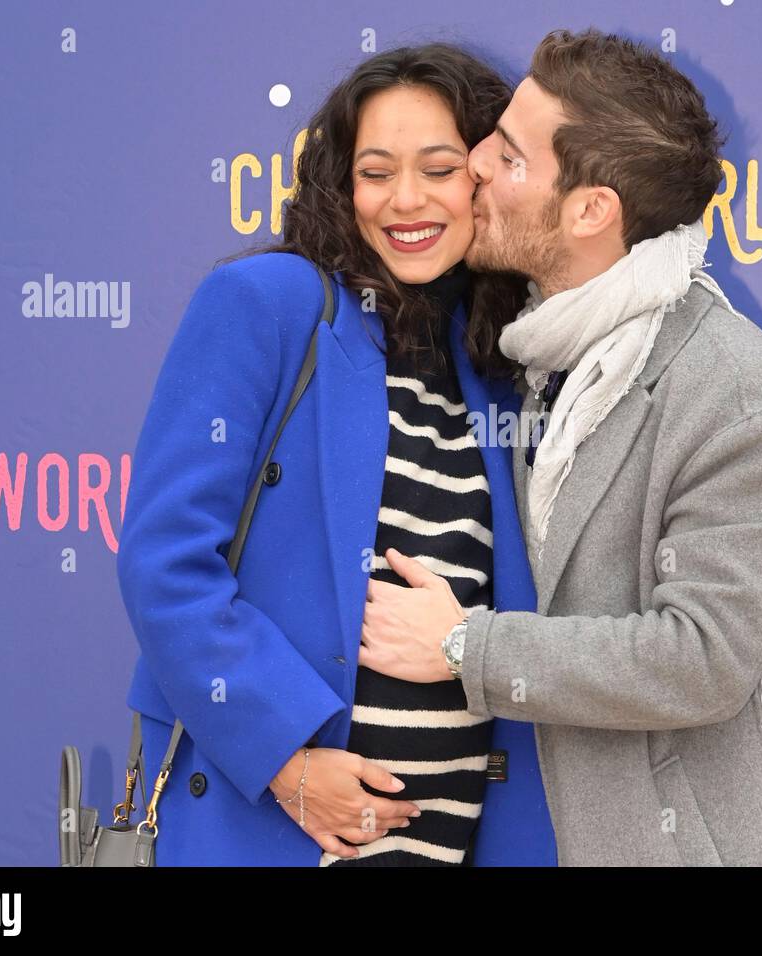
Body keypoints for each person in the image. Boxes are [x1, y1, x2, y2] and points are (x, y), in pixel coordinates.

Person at [360, 28, 762, 866]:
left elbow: (698, 660)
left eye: (508, 158)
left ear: (591, 211)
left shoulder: (739, 401)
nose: (474, 164)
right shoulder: (546, 354)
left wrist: (462, 646)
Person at [116, 43, 557, 866]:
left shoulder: (504, 372)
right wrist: (285, 763)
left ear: (484, 179)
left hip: (455, 843)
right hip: (281, 831)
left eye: (439, 167)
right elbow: (165, 563)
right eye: (376, 171)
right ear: (340, 186)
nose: (407, 200)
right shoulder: (267, 306)